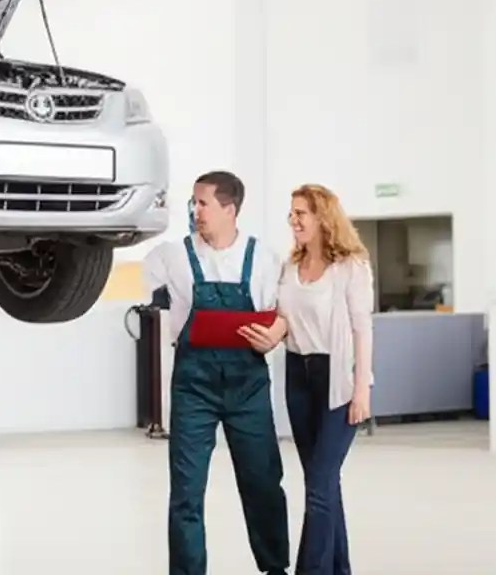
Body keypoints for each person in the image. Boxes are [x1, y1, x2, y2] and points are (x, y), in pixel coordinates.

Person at [143, 171, 291, 575]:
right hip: (194, 387)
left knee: (263, 484)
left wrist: (276, 332)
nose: (196, 211)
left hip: (249, 386)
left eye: (203, 203)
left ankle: (276, 568)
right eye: (194, 203)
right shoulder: (171, 256)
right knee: (186, 493)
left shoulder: (264, 257)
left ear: (230, 209)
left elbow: (284, 312)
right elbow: (146, 292)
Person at [272, 184, 373, 575]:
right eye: (292, 213)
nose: (294, 220)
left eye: (302, 213)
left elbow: (363, 330)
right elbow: (283, 318)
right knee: (323, 483)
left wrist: (361, 388)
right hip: (299, 373)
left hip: (339, 377)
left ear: (323, 218)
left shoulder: (351, 267)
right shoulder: (289, 267)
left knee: (319, 485)